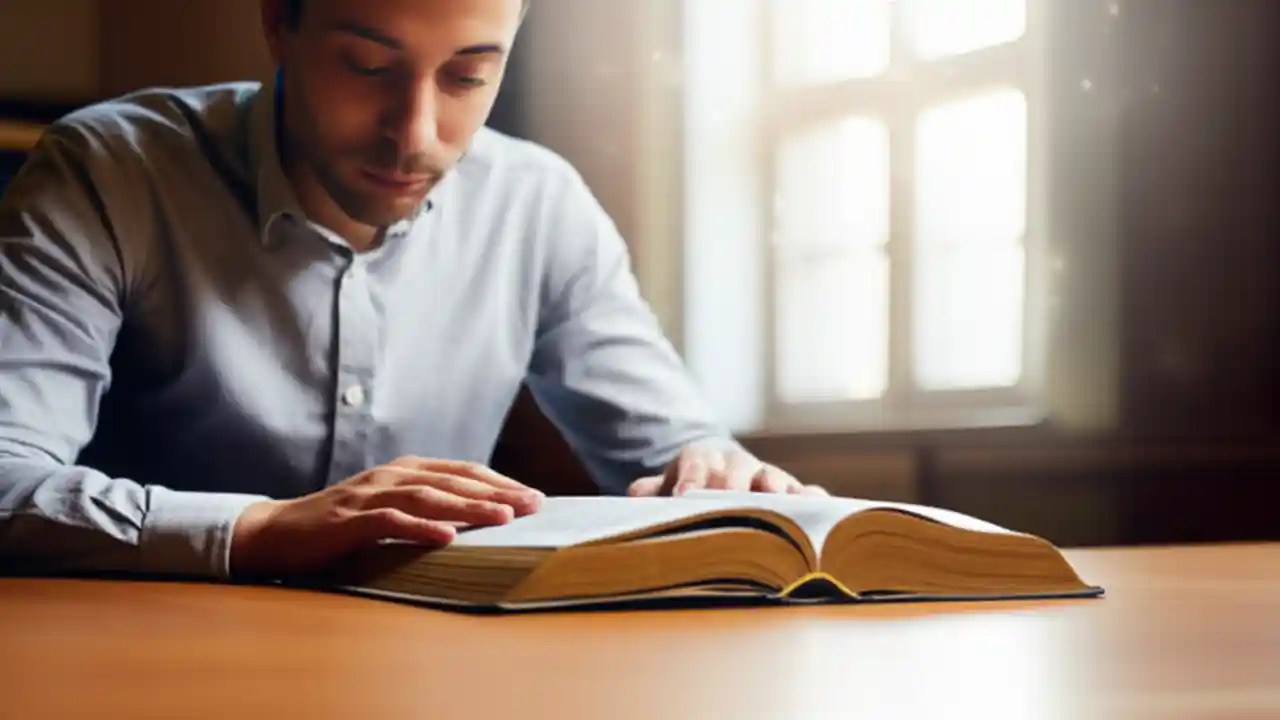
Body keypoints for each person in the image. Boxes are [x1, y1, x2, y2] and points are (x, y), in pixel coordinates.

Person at [0, 0, 824, 581]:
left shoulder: (538, 203)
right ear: (277, 20)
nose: (415, 134)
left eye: (467, 78)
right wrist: (263, 529)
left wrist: (713, 477)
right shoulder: (109, 172)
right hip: (132, 657)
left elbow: (670, 450)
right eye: (366, 65)